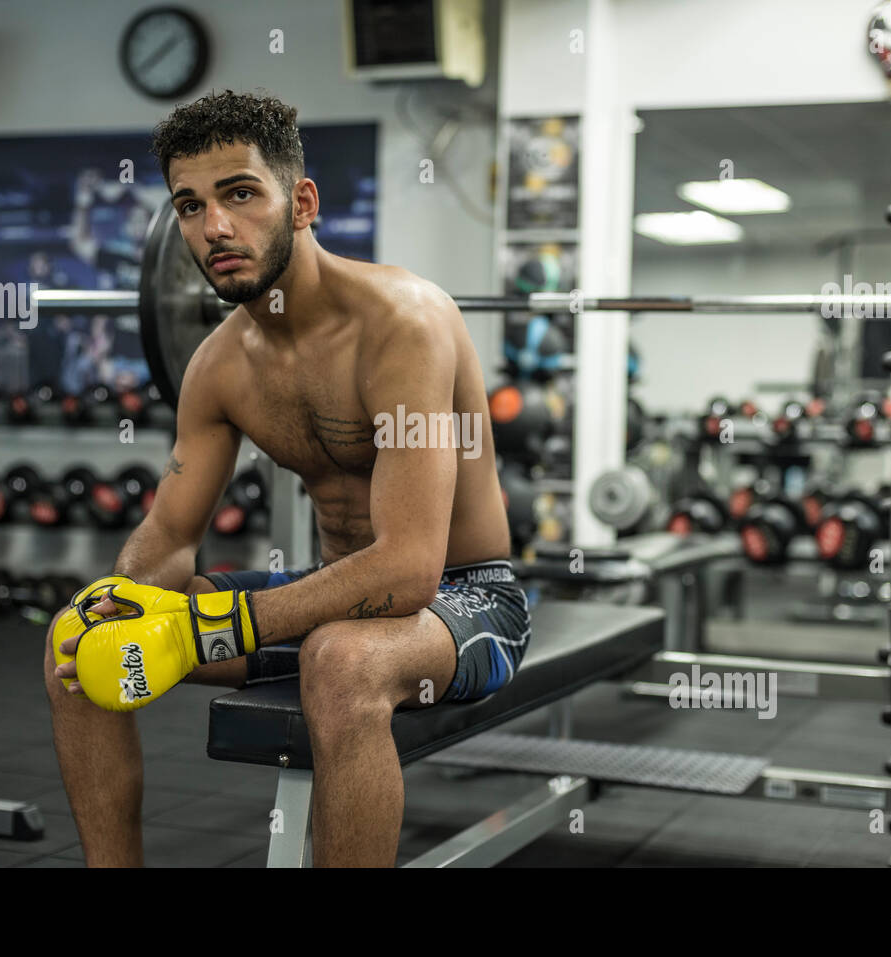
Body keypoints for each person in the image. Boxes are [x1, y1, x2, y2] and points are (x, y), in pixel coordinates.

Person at [44, 90, 528, 868]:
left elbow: (408, 569)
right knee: (77, 636)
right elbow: (170, 536)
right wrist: (132, 598)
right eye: (191, 205)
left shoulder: (404, 324)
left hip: (464, 597)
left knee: (342, 661)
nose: (215, 228)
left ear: (300, 202)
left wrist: (217, 626)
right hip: (329, 593)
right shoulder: (219, 366)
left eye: (240, 194)